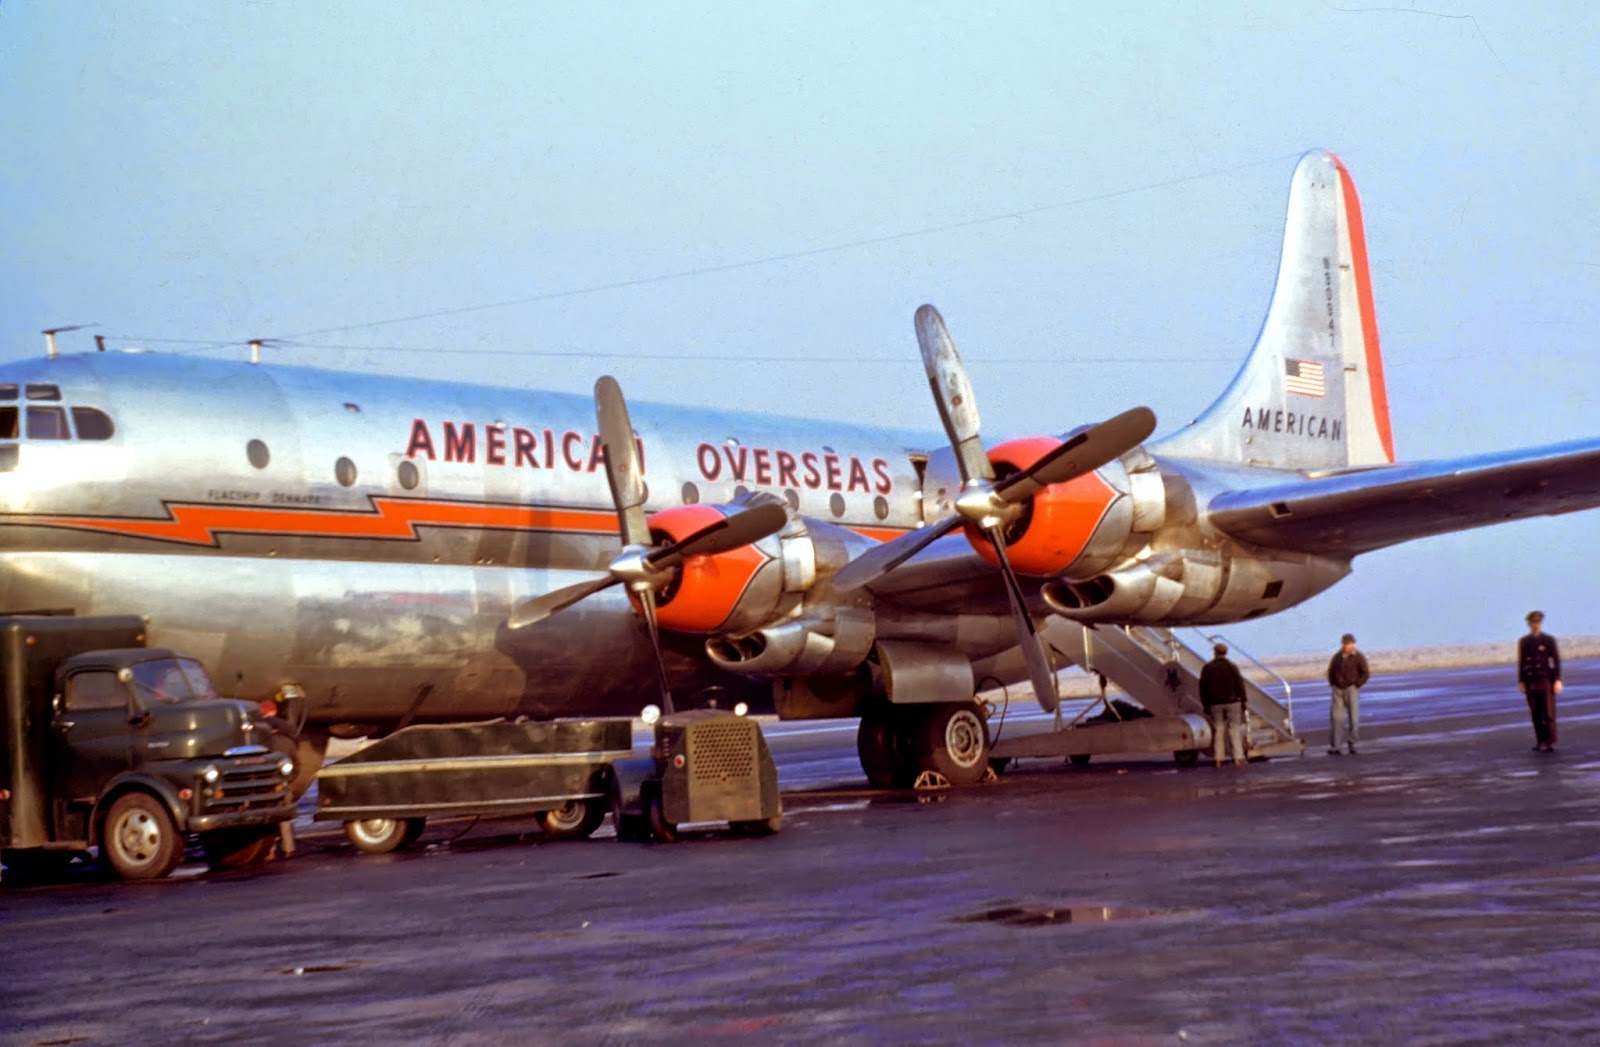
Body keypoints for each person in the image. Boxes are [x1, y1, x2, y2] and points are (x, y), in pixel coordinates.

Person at [1517, 610, 1562, 752]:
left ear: (1541, 623)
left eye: (1538, 622)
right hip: (1531, 681)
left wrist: (1557, 680)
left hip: (1546, 680)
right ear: (1528, 624)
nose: (1535, 625)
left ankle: (1549, 741)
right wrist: (1521, 681)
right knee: (1535, 713)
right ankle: (1540, 740)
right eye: (1533, 623)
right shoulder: (1524, 641)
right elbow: (1522, 663)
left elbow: (1556, 661)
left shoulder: (1548, 640)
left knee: (1548, 712)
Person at [1198, 643, 1248, 768]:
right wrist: (1243, 701)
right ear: (1226, 652)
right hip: (1233, 702)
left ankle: (1219, 759)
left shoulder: (1207, 668)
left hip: (1215, 703)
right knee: (1234, 730)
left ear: (1214, 652)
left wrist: (1205, 704)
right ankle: (1238, 757)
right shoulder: (1232, 667)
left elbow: (1203, 688)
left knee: (1219, 730)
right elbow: (1240, 684)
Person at [1326, 632, 1370, 755]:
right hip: (1337, 691)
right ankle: (1335, 746)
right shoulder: (1337, 657)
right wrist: (1333, 684)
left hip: (1352, 689)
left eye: (1351, 644)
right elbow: (1331, 670)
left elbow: (1365, 673)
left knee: (1354, 718)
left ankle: (1352, 742)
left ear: (1354, 644)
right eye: (1346, 644)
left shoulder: (1358, 657)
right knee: (1336, 718)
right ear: (1343, 644)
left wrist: (1357, 684)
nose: (1349, 646)